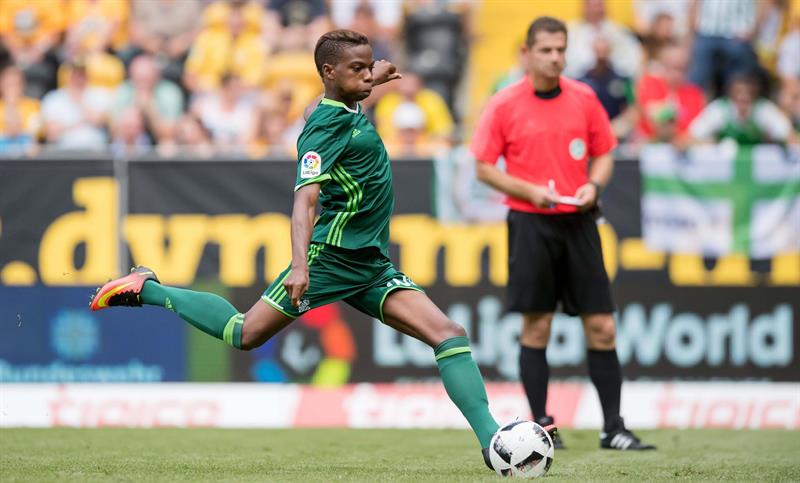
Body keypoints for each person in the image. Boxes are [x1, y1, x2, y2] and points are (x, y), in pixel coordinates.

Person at [90, 29, 521, 471]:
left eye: (368, 66)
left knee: (448, 334)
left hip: (370, 263)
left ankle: (492, 442)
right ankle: (149, 288)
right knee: (244, 333)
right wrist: (300, 266)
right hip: (331, 258)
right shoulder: (323, 127)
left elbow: (335, 97)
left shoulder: (344, 103)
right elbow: (305, 202)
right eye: (357, 69)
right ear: (328, 72)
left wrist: (374, 76)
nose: (367, 75)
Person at [471, 16, 655, 451]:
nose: (555, 58)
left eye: (560, 50)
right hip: (530, 222)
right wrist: (529, 191)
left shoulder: (584, 98)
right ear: (527, 53)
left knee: (602, 326)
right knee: (537, 326)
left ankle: (613, 428)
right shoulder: (504, 103)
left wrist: (594, 185)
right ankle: (543, 425)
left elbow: (604, 154)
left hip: (579, 220)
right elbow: (483, 167)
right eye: (546, 50)